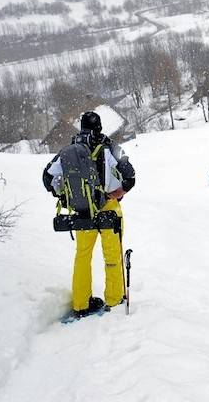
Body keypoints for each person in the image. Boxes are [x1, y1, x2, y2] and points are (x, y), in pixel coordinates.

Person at [42, 111, 137, 319]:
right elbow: (130, 176)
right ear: (100, 127)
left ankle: (81, 303)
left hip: (82, 211)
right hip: (108, 209)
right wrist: (117, 193)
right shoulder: (110, 147)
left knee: (82, 258)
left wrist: (68, 195)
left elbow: (47, 178)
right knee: (112, 255)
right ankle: (114, 299)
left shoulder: (68, 151)